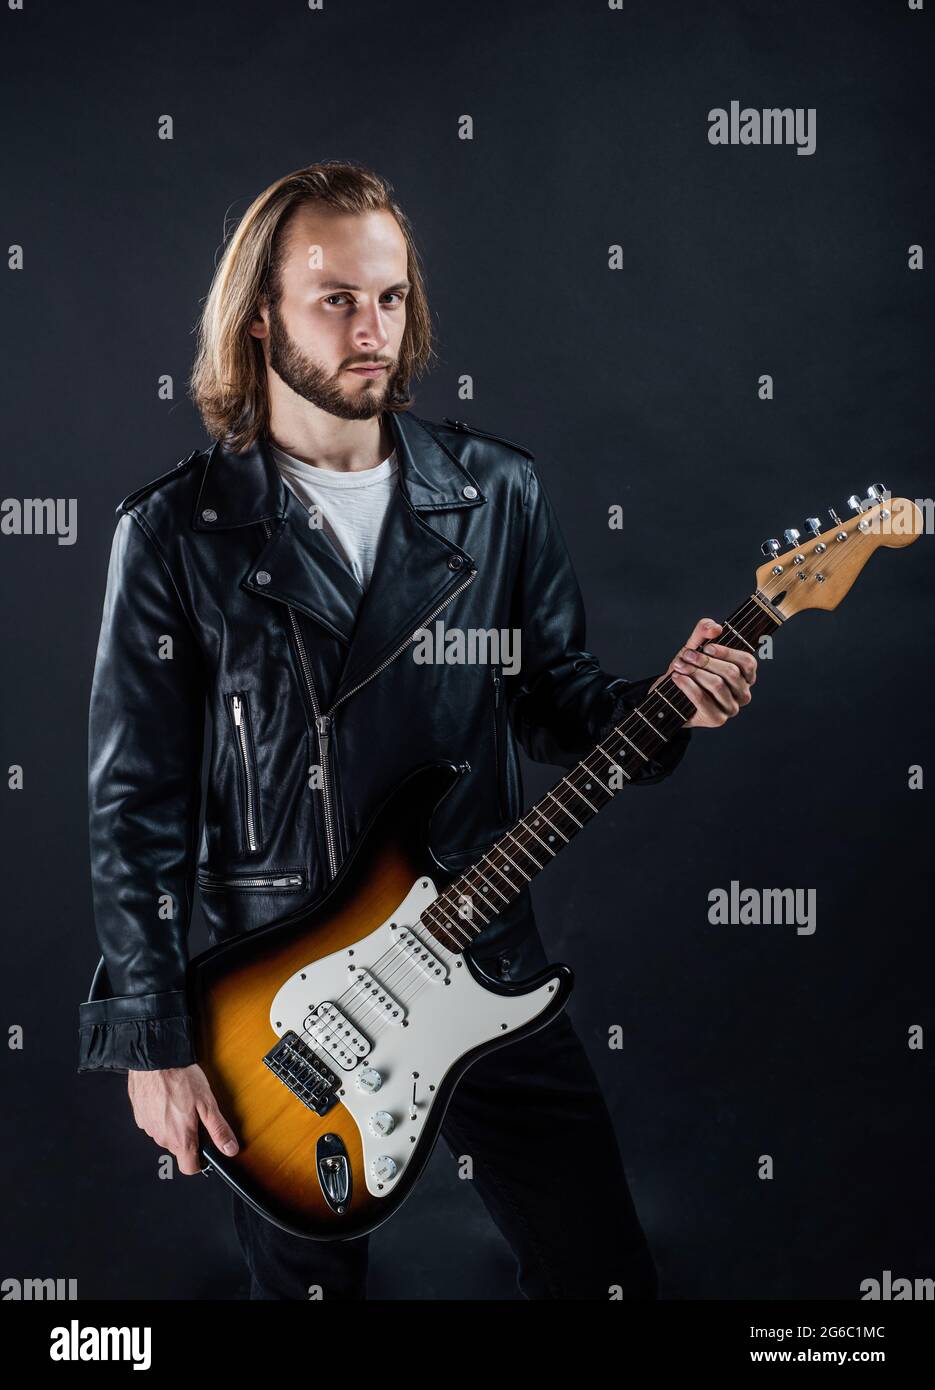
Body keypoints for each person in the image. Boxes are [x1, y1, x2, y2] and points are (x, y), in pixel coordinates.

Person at [77, 160, 756, 1300]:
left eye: (388, 296)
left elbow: (555, 699)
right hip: (278, 999)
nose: (371, 326)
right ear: (258, 320)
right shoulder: (173, 535)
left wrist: (665, 701)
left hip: (481, 952)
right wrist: (153, 1033)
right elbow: (132, 801)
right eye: (334, 296)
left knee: (602, 1276)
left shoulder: (494, 493)